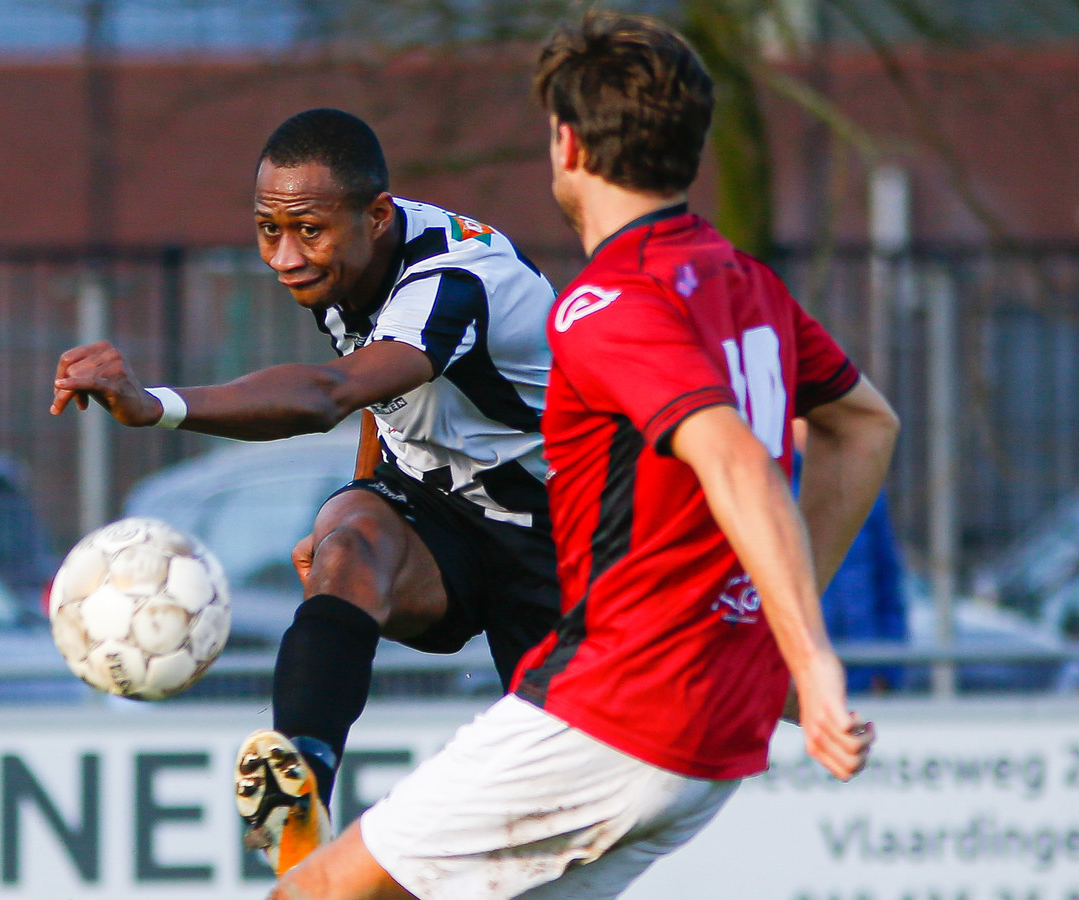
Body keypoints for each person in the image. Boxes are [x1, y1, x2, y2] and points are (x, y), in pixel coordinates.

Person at [266, 13, 900, 900]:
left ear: (566, 145)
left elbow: (734, 461)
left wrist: (811, 665)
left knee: (315, 892)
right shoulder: (743, 284)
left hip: (613, 706)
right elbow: (866, 425)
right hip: (707, 742)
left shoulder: (605, 304)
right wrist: (771, 647)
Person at [49, 108, 562, 875]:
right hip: (443, 511)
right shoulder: (348, 260)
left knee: (559, 829)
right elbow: (375, 404)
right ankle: (301, 780)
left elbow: (329, 391)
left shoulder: (455, 282)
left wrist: (156, 404)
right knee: (348, 539)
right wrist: (363, 515)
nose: (284, 255)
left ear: (376, 216)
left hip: (557, 540)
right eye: (265, 230)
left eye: (307, 231)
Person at [793, 418, 909, 694]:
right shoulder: (769, 487)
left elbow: (888, 585)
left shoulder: (861, 484)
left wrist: (888, 671)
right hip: (796, 682)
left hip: (862, 678)